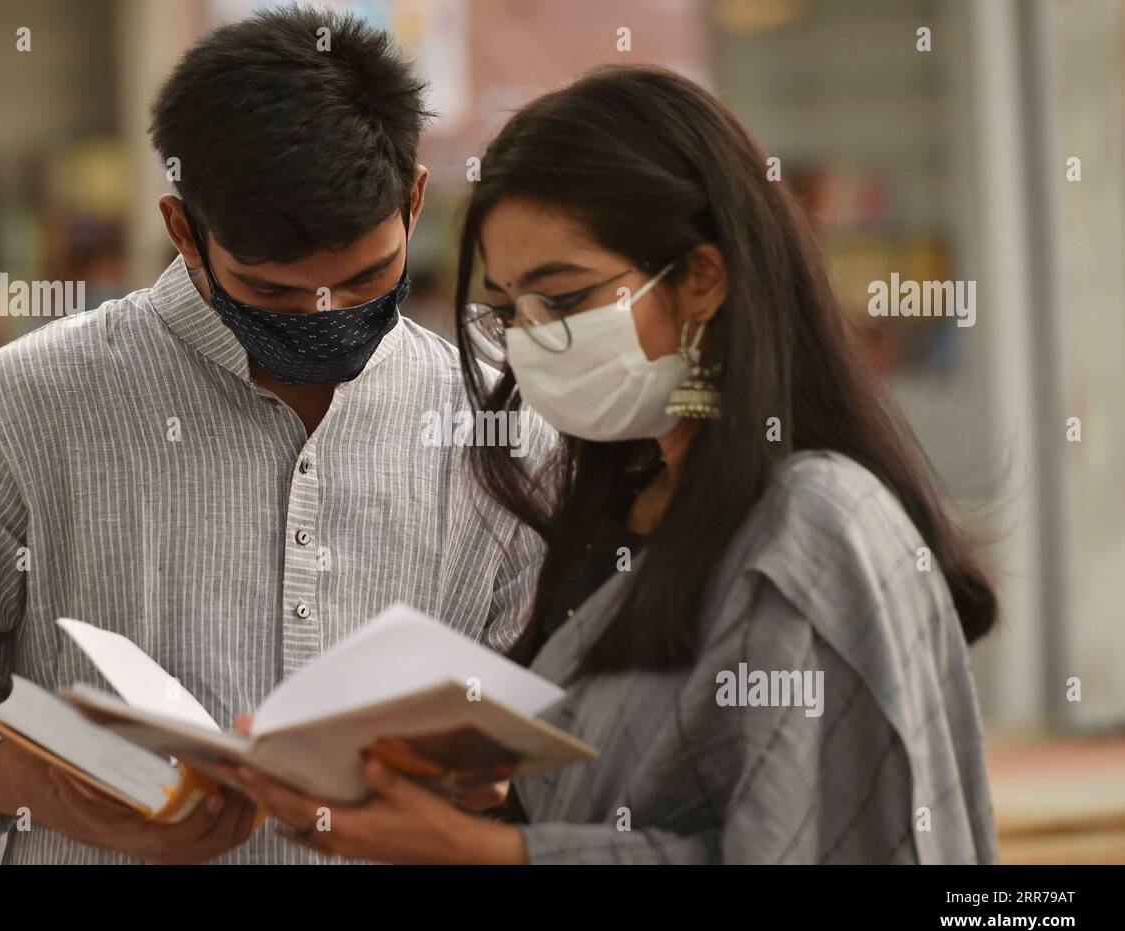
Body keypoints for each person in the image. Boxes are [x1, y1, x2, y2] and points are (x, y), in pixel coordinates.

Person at [210, 65, 1001, 864]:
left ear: (701, 280)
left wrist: (485, 851)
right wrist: (487, 781)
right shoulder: (629, 502)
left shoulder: (817, 522)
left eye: (566, 299)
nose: (530, 341)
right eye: (511, 309)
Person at [0, 7, 544, 864]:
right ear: (184, 232)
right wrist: (55, 788)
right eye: (276, 294)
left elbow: (543, 717)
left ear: (415, 201)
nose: (325, 318)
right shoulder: (27, 405)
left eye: (366, 278)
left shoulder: (498, 423)